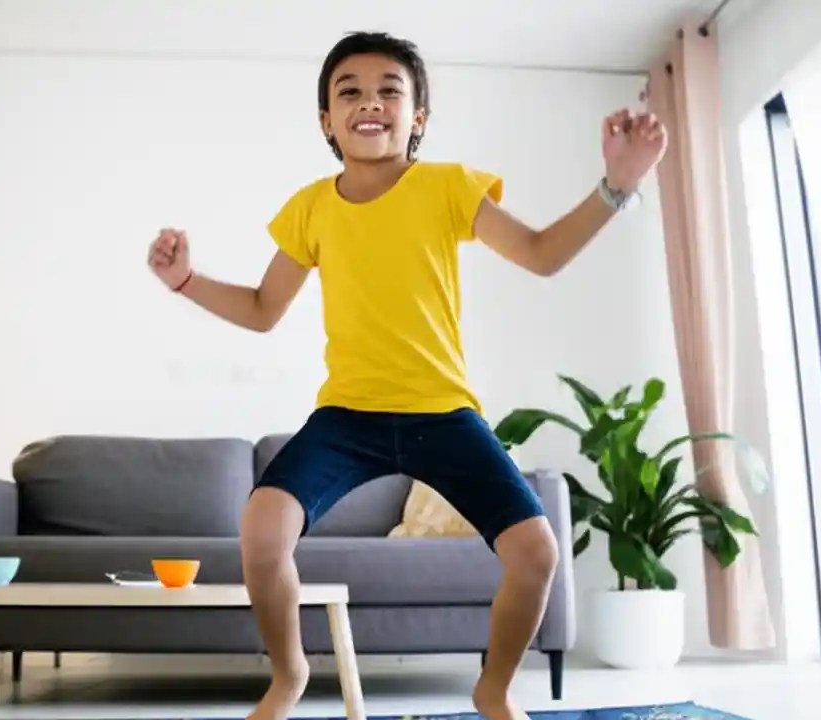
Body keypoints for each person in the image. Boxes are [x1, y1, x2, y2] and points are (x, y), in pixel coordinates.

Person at [147, 31, 667, 720]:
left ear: (417, 115)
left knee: (537, 553)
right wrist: (185, 280)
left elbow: (541, 254)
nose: (370, 103)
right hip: (348, 418)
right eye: (350, 91)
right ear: (326, 121)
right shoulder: (311, 207)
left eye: (390, 90)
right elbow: (264, 308)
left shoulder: (447, 187)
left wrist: (617, 185)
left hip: (443, 413)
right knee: (263, 529)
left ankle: (494, 688)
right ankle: (289, 674)